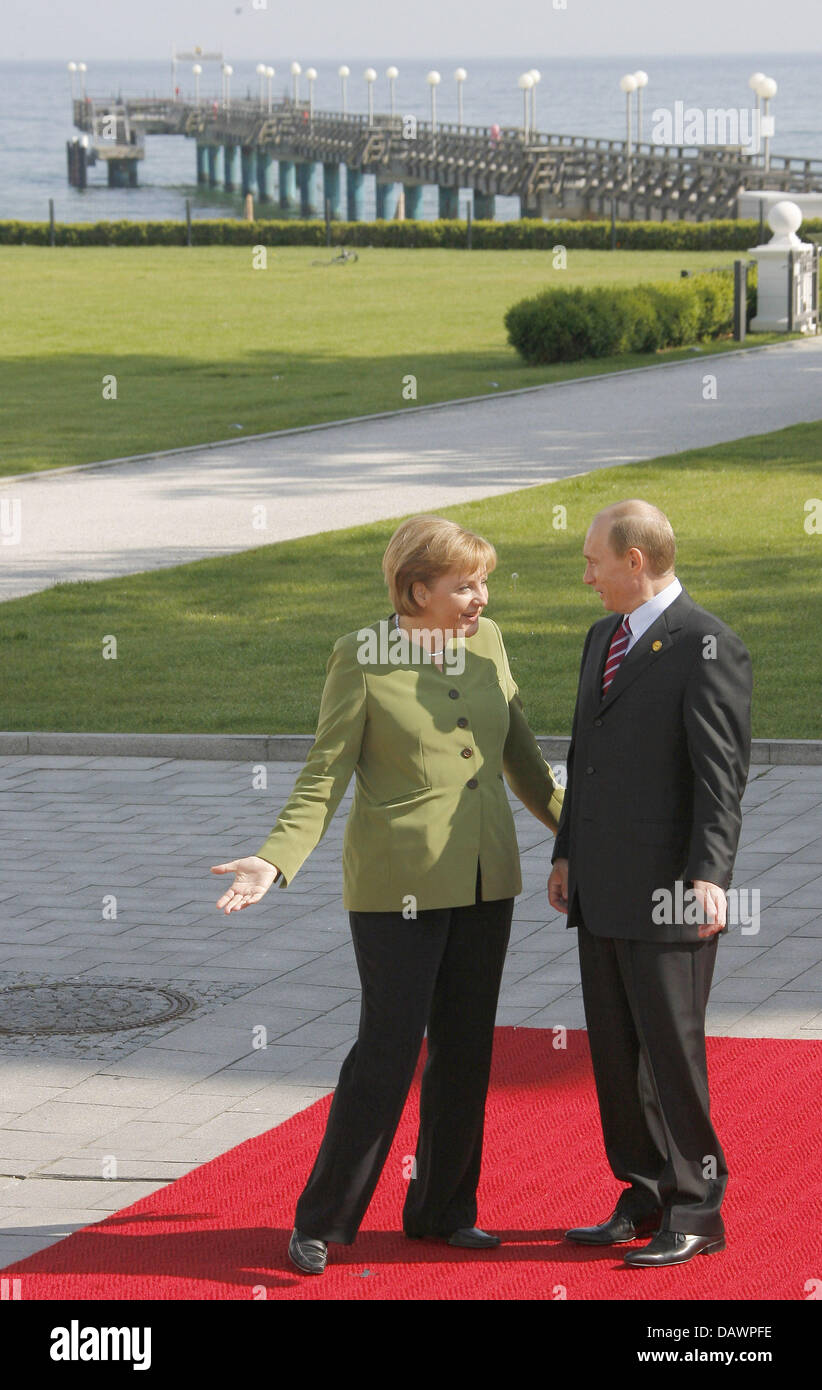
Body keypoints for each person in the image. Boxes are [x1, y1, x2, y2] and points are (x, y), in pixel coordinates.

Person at [212, 515, 564, 1274]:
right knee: (388, 1048)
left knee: (467, 1049)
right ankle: (323, 1220)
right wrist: (273, 862)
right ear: (416, 590)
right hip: (395, 886)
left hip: (485, 878)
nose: (480, 597)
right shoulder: (362, 656)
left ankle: (443, 1211)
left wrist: (581, 835)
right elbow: (324, 771)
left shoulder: (491, 641)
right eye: (464, 584)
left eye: (483, 582)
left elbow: (524, 757)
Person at [548, 500, 752, 1269]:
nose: (587, 574)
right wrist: (566, 852)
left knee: (670, 1055)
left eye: (594, 559)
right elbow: (583, 754)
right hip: (601, 886)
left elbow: (720, 776)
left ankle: (697, 1210)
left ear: (636, 561)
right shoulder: (602, 636)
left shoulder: (708, 644)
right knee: (616, 1053)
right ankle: (642, 1194)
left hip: (670, 892)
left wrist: (710, 874)